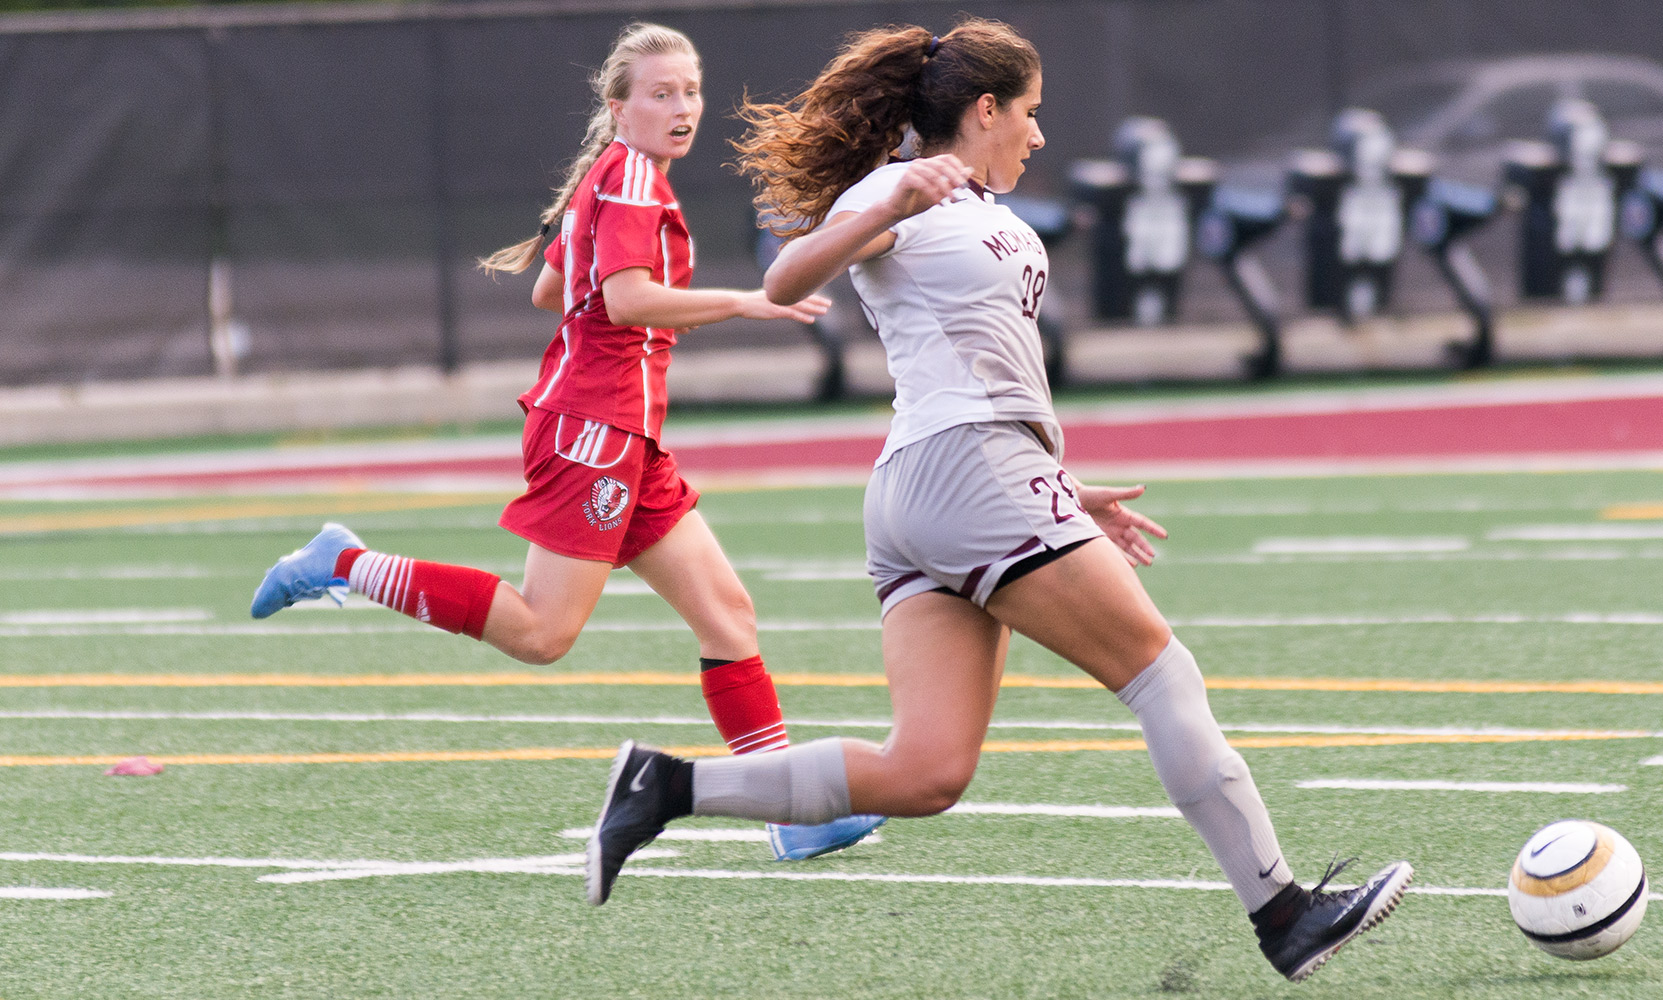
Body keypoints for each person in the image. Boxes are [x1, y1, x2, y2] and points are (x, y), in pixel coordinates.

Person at [583, 17, 1412, 982]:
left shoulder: (970, 199)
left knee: (925, 773)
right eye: (1029, 112)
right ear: (983, 111)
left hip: (943, 486)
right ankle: (1283, 912)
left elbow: (985, 365)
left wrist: (1056, 487)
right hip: (963, 474)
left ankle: (664, 787)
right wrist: (886, 199)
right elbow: (786, 276)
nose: (1039, 133)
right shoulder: (907, 185)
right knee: (1158, 673)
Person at [246, 22, 884, 863]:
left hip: (625, 434)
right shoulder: (628, 183)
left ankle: (789, 814)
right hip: (593, 432)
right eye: (661, 93)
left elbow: (555, 289)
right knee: (543, 633)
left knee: (727, 613)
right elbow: (622, 302)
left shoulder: (619, 176)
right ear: (620, 108)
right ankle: (343, 564)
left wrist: (630, 316)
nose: (682, 106)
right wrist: (742, 301)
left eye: (690, 90)